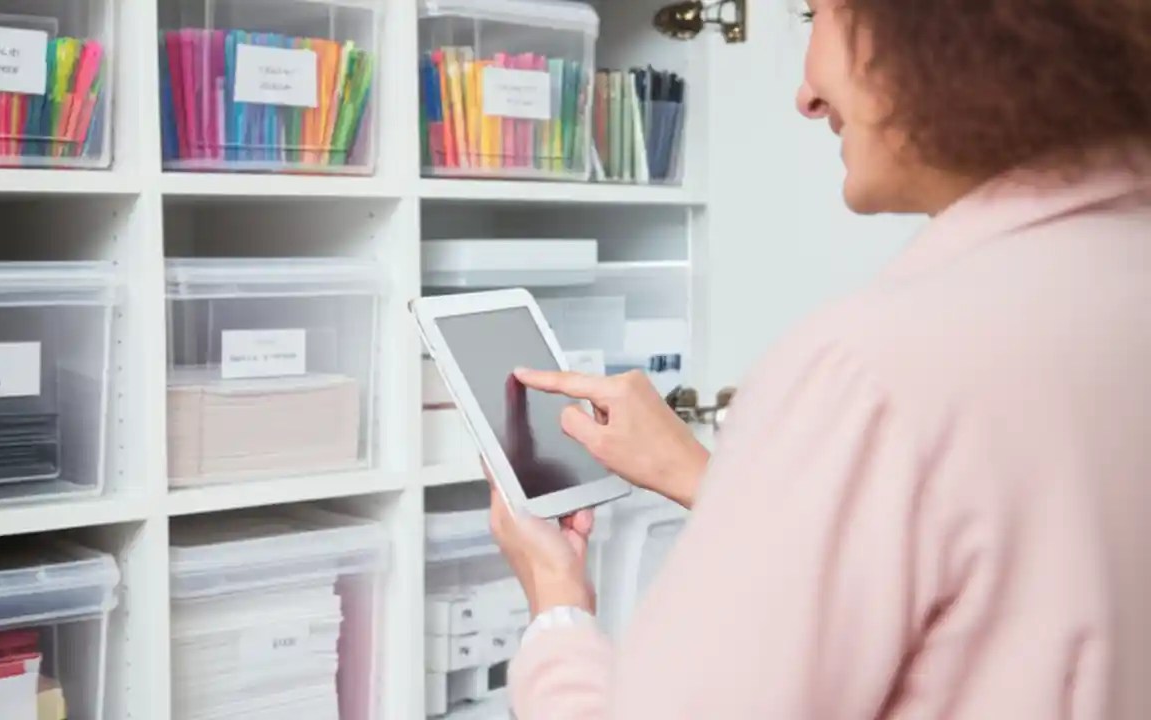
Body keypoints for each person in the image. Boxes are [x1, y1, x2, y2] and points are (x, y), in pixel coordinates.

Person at [485, 0, 1151, 717]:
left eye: (814, 18)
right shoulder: (1118, 273)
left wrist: (556, 611)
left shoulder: (871, 373)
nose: (805, 95)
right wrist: (706, 479)